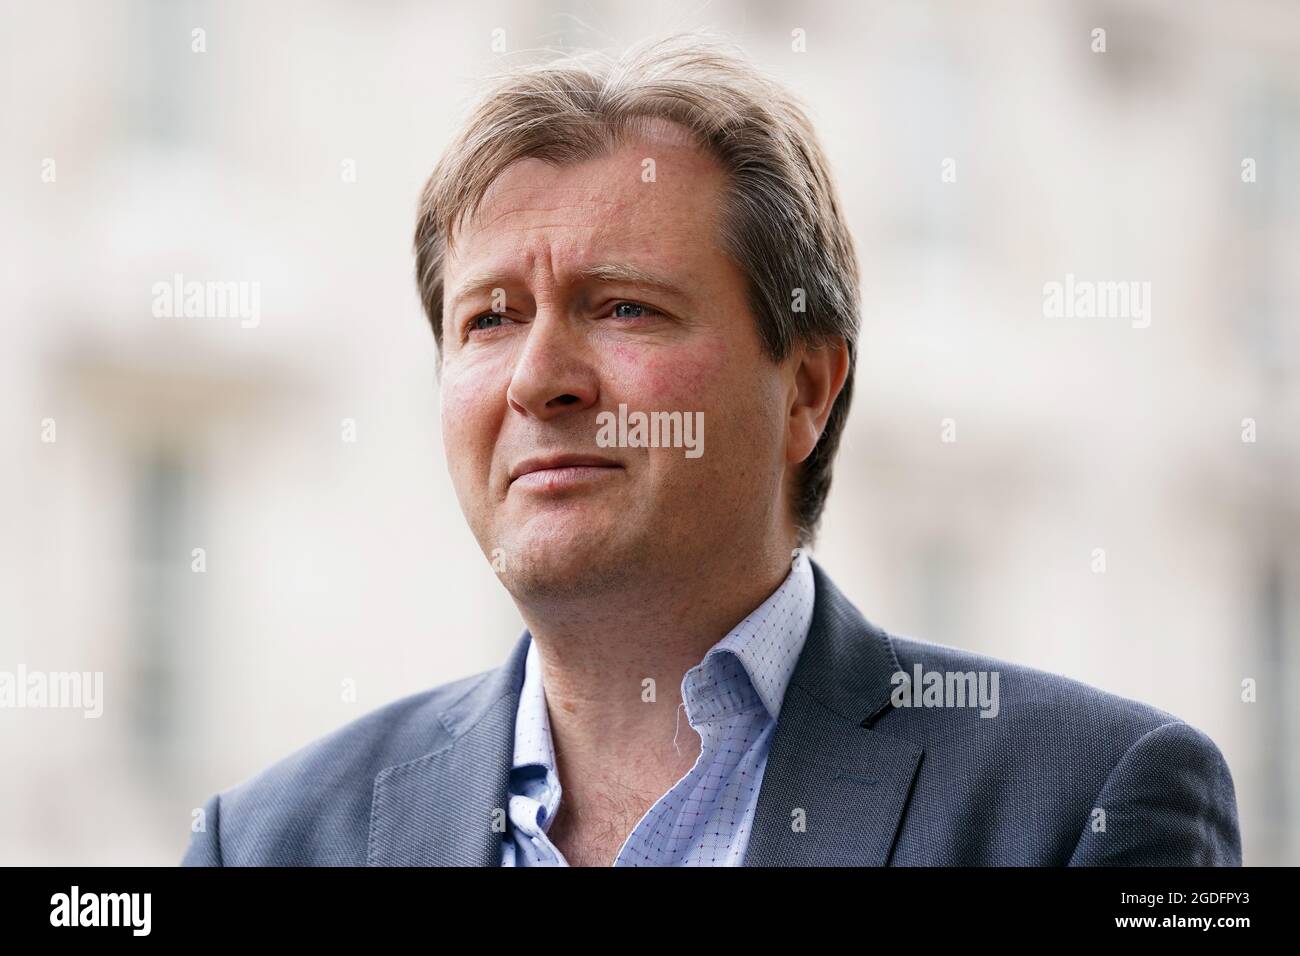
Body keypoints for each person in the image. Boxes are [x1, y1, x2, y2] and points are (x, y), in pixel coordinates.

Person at [181, 33, 1241, 867]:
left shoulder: (1088, 804)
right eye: (489, 318)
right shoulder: (267, 842)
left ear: (808, 392)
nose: (537, 378)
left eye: (625, 307)